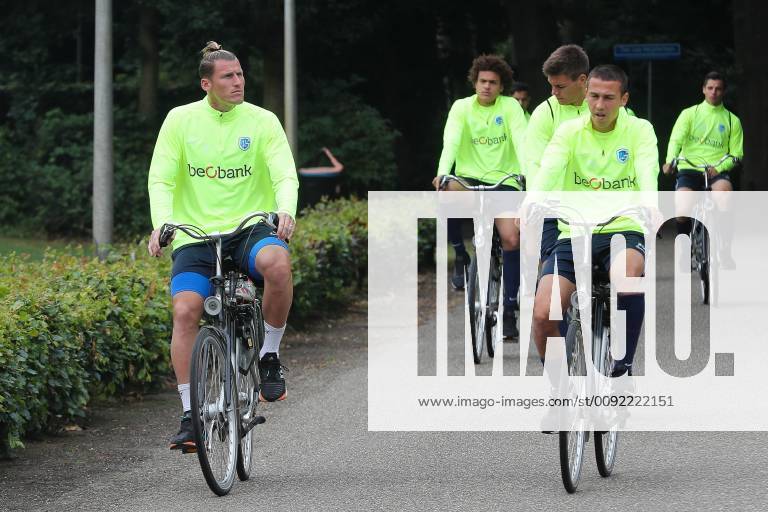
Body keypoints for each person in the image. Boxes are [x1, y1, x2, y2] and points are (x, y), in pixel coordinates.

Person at [147, 42, 299, 451]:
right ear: (206, 83)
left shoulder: (263, 121)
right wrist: (161, 224)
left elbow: (285, 173)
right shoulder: (179, 121)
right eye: (228, 76)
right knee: (185, 311)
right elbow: (160, 178)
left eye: (240, 74)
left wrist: (285, 210)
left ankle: (269, 354)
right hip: (195, 235)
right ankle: (189, 415)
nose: (238, 82)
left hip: (248, 229)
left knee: (279, 266)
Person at [531, 64, 658, 380]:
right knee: (544, 313)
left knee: (626, 279)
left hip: (623, 227)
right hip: (573, 230)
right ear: (586, 94)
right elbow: (549, 169)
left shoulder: (640, 130)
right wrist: (531, 202)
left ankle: (622, 366)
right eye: (595, 96)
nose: (600, 105)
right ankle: (560, 390)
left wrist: (650, 206)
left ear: (624, 99)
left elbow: (646, 170)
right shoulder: (569, 132)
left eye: (609, 98)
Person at [434, 54, 528, 339]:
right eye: (483, 81)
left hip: (505, 179)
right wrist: (442, 173)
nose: (487, 86)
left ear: (502, 87)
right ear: (474, 83)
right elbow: (450, 140)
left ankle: (509, 309)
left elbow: (521, 141)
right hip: (470, 178)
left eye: (494, 83)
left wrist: (528, 179)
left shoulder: (511, 107)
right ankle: (460, 256)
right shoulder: (461, 107)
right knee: (446, 193)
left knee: (511, 238)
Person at [662, 71, 743, 268]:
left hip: (716, 171)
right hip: (690, 167)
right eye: (710, 88)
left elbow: (736, 154)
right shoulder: (689, 114)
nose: (714, 92)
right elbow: (676, 140)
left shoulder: (732, 120)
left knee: (725, 195)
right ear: (703, 90)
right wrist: (669, 161)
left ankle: (724, 250)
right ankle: (685, 250)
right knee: (682, 206)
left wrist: (720, 167)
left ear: (723, 91)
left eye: (718, 89)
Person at [524, 44, 590, 261]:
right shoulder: (545, 113)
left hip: (598, 202)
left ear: (582, 80)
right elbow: (534, 163)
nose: (554, 92)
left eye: (560, 86)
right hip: (554, 208)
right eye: (551, 86)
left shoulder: (604, 106)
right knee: (550, 272)